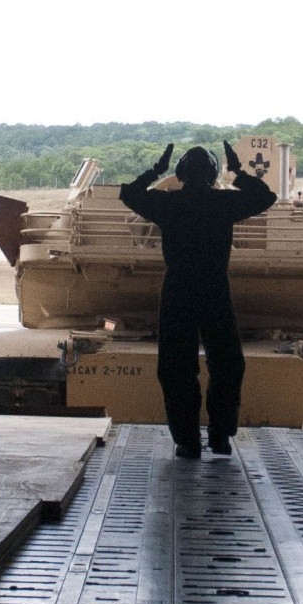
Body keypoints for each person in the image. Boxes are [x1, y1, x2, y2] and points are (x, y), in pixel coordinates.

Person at [119, 140, 277, 458]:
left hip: (178, 288)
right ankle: (219, 437)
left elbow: (129, 194)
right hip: (214, 288)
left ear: (180, 174)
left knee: (176, 367)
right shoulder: (223, 203)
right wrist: (238, 172)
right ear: (212, 174)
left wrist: (155, 170)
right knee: (228, 365)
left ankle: (187, 441)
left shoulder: (168, 204)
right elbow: (266, 197)